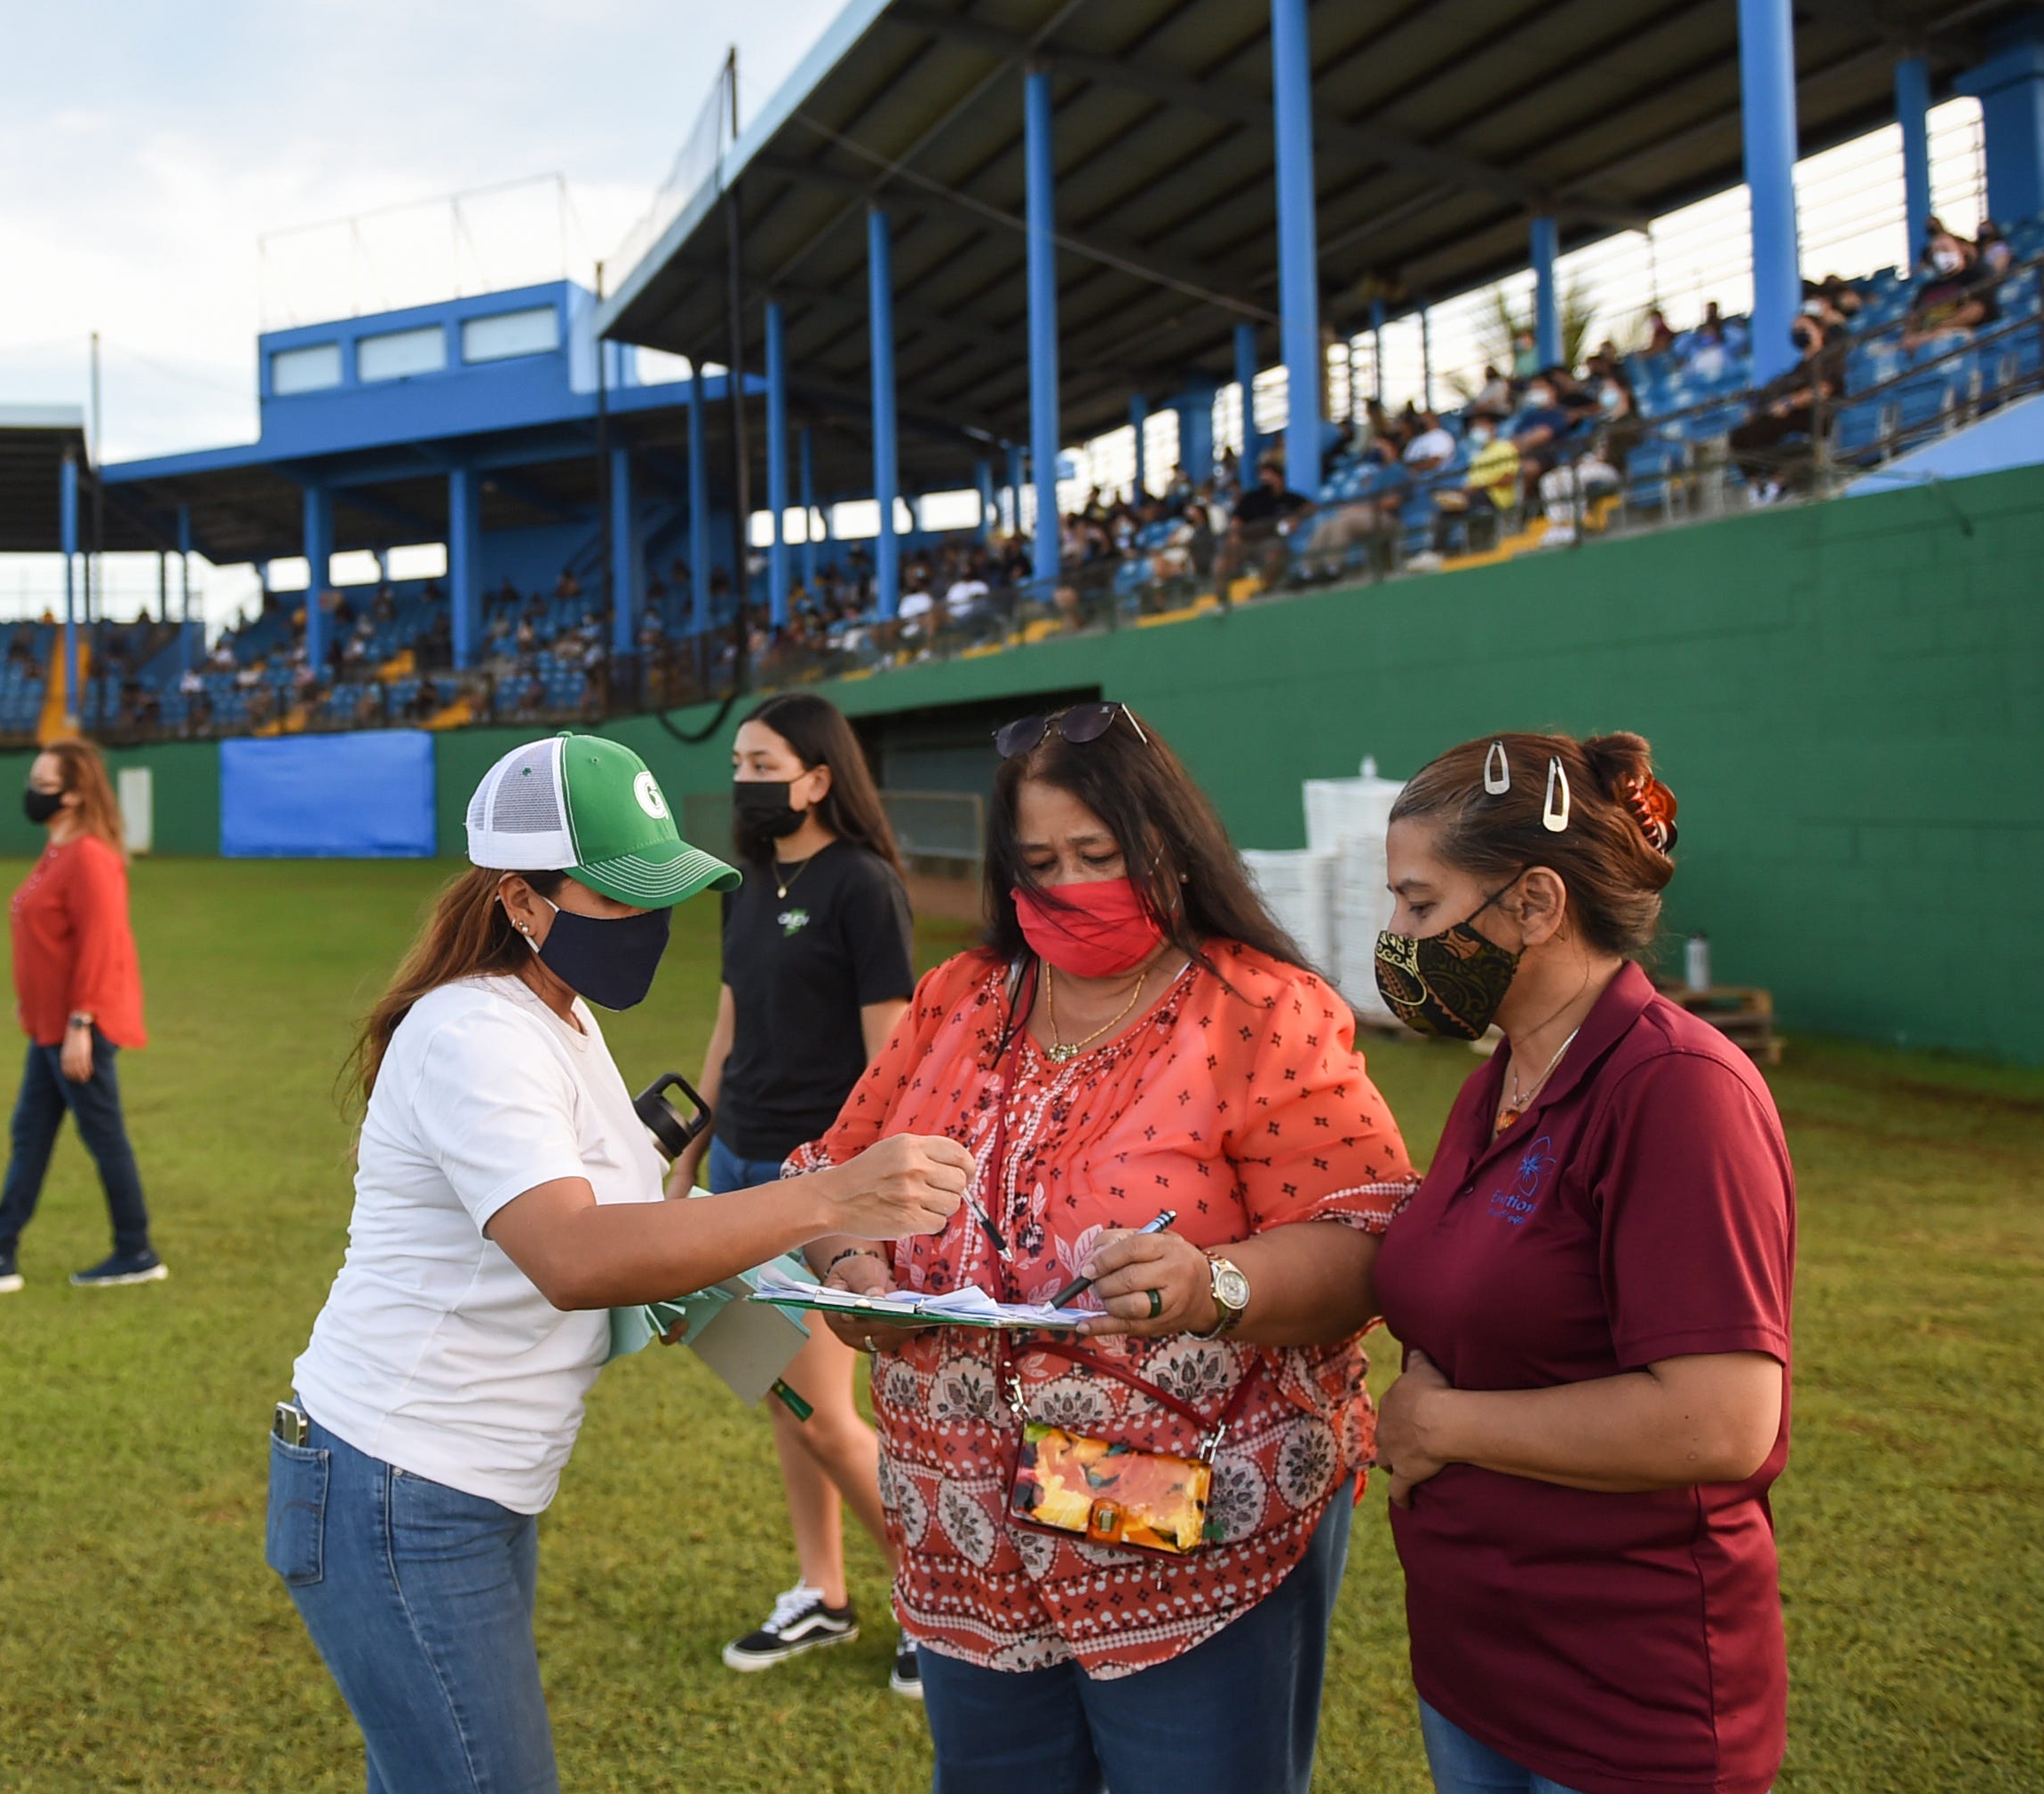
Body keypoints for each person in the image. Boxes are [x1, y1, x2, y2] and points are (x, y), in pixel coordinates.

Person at [271, 732, 974, 1794]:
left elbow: (657, 1253)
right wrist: (826, 1196)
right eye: (618, 900)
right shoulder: (475, 1034)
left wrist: (834, 1307)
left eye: (662, 897)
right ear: (520, 901)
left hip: (459, 1486)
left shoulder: (564, 1016)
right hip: (398, 1481)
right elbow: (574, 1256)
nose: (649, 926)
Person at [789, 703, 1417, 1794]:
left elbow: (1362, 1233)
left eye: (1098, 855)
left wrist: (1210, 1285)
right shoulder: (959, 1000)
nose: (1070, 884)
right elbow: (832, 1175)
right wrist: (852, 1269)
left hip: (1173, 1523)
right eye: (1039, 861)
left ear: (1168, 847)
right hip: (963, 1536)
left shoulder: (1261, 1010)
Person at [1367, 731, 1793, 1794]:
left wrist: (1444, 1423)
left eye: (1420, 907)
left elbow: (1724, 1420)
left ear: (1536, 905)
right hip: (1477, 1669)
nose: (1396, 937)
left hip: (1625, 1699)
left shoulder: (1679, 1091)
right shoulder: (1498, 1080)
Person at [662, 694, 923, 1690]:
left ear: (818, 778)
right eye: (739, 760)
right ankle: (825, 1591)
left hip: (818, 1190)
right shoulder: (746, 882)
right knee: (780, 1395)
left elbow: (890, 1059)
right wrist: (696, 1147)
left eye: (764, 761)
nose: (746, 779)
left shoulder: (864, 886)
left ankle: (929, 1607)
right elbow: (731, 1019)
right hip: (737, 1172)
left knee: (820, 1411)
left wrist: (864, 1194)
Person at [0, 737, 162, 1292]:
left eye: (44, 784)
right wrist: (32, 1001)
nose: (32, 793)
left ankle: (136, 1250)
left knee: (103, 1137)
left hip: (78, 1030)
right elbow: (48, 940)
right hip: (49, 1027)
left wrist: (82, 1023)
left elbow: (100, 947)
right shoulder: (58, 850)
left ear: (76, 795)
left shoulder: (90, 858)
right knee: (29, 1133)